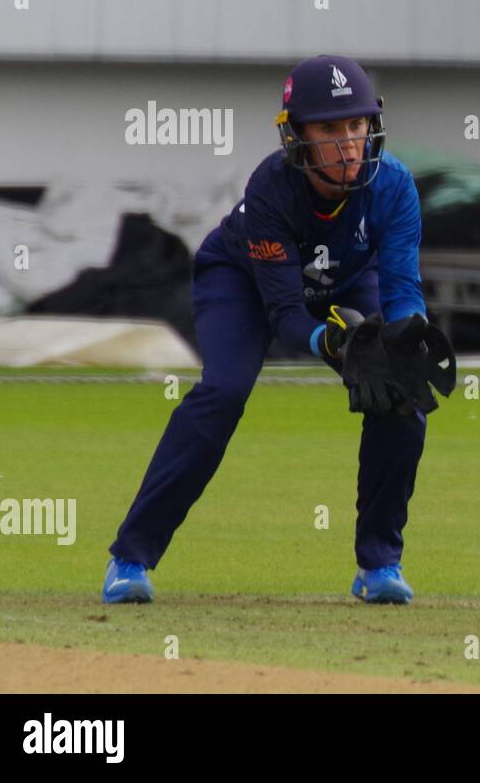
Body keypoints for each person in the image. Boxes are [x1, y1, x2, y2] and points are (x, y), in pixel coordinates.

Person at [102, 54, 454, 606]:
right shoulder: (271, 187)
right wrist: (333, 341)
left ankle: (379, 564)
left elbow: (402, 288)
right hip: (242, 281)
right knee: (223, 393)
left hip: (346, 282)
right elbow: (287, 315)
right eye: (329, 128)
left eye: (357, 125)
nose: (347, 144)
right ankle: (130, 557)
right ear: (295, 134)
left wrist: (407, 336)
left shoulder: (394, 187)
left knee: (400, 391)